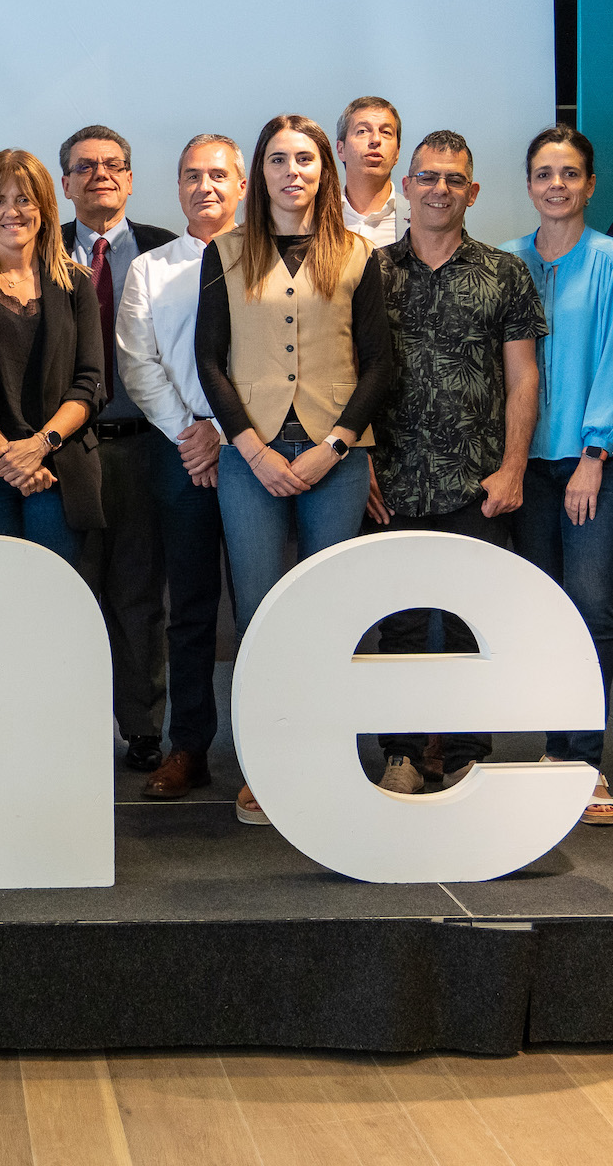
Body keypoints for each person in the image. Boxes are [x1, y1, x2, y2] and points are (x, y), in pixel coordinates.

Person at [197, 115, 393, 822]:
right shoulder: (223, 252)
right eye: (278, 159)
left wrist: (335, 445)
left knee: (330, 609)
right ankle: (264, 761)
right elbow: (209, 361)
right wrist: (249, 447)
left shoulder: (360, 254)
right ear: (262, 173)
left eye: (304, 159)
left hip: (334, 454)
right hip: (249, 455)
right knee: (256, 611)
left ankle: (326, 752)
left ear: (324, 169)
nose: (292, 171)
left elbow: (379, 365)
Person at [369, 130, 545, 795]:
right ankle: (404, 752)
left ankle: (470, 752)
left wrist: (513, 466)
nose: (439, 188)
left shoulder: (505, 272)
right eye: (427, 176)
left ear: (472, 192)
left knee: (474, 618)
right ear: (407, 186)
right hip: (393, 476)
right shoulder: (372, 272)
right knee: (404, 621)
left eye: (453, 179)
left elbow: (524, 377)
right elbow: (348, 373)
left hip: (479, 476)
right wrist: (361, 464)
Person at [0, 149, 103, 822]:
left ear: (46, 207)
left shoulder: (75, 282)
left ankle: (48, 758)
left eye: (25, 199)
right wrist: (6, 453)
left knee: (52, 621)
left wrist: (41, 443)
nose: (12, 212)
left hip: (57, 468)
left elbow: (92, 383)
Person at [503, 126, 613, 827]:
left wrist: (594, 452)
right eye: (544, 173)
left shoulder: (612, 260)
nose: (557, 184)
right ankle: (550, 746)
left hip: (592, 466)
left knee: (590, 607)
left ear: (589, 184)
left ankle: (582, 758)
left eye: (570, 173)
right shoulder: (504, 261)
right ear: (528, 184)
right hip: (524, 466)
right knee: (541, 610)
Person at [118, 135, 245, 800]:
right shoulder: (150, 269)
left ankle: (269, 749)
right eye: (193, 176)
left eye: (219, 175)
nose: (206, 186)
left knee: (262, 605)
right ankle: (188, 745)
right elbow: (138, 363)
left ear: (242, 185)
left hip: (257, 454)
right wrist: (191, 435)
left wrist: (228, 435)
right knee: (189, 609)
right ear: (178, 187)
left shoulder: (269, 260)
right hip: (180, 457)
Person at [57, 124, 178, 775]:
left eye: (113, 165)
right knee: (71, 591)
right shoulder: (42, 255)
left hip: (146, 446)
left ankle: (141, 729)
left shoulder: (168, 252)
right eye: (85, 166)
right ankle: (73, 725)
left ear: (130, 178)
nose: (100, 174)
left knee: (137, 595)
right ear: (65, 183)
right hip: (67, 452)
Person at [337, 96, 409, 247]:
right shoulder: (315, 216)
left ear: (397, 152)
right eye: (362, 131)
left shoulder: (420, 216)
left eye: (386, 132)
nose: (376, 139)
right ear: (340, 149)